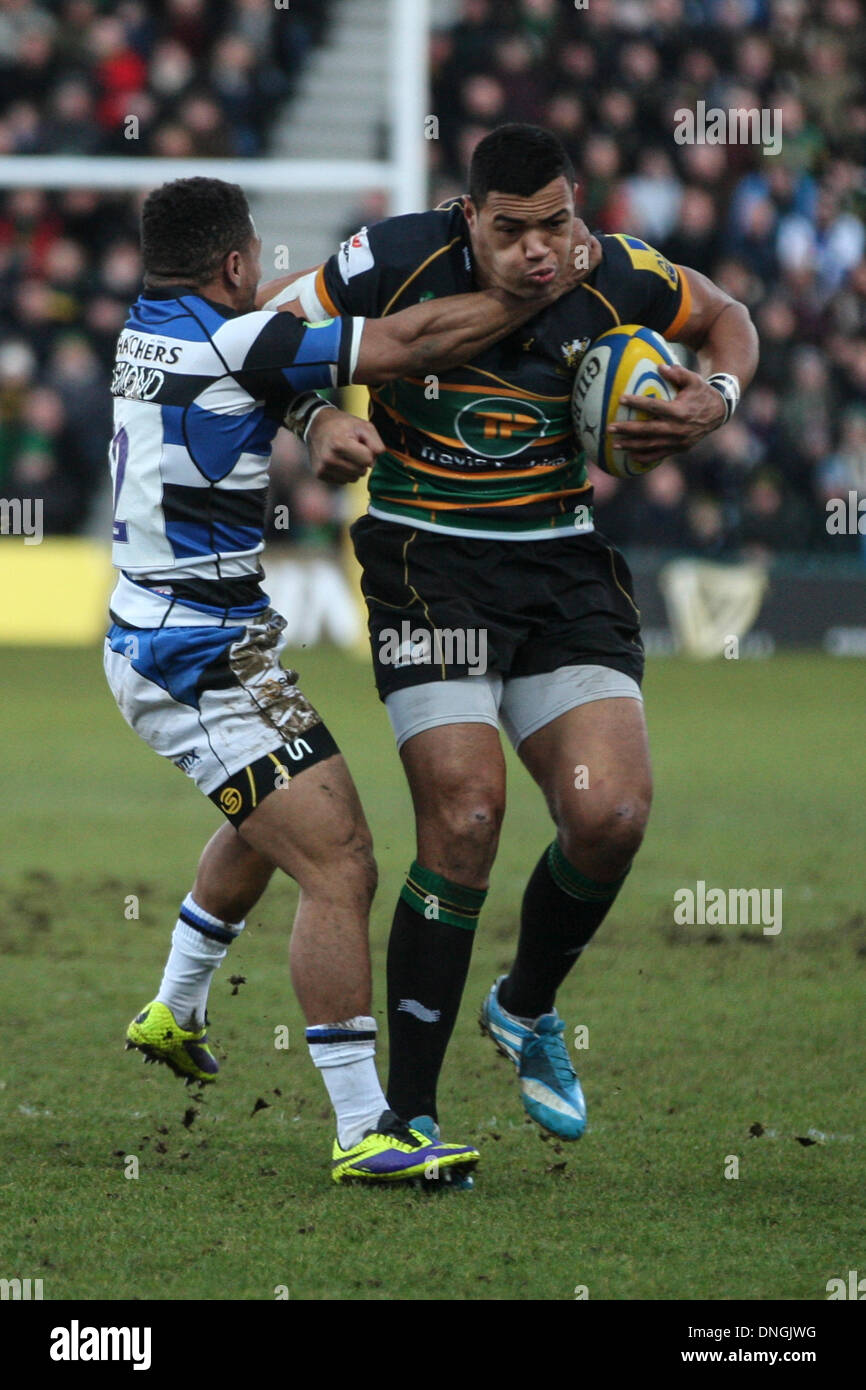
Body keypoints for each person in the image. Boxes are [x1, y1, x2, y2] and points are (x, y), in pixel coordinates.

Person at [263, 124, 758, 1152]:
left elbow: (725, 316)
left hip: (558, 561)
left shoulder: (615, 269)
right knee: (467, 812)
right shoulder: (389, 259)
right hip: (426, 562)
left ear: (577, 205)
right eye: (511, 231)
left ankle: (525, 1005)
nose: (539, 249)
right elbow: (266, 335)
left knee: (611, 814)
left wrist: (720, 396)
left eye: (556, 223)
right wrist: (313, 417)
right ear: (467, 218)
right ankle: (408, 1112)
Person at [105, 174, 585, 1185]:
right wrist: (534, 291)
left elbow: (265, 369)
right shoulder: (235, 337)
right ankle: (364, 1127)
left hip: (184, 635)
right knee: (342, 859)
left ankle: (174, 1006)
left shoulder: (148, 329)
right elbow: (405, 346)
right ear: (236, 264)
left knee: (268, 809)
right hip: (194, 653)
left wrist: (318, 417)